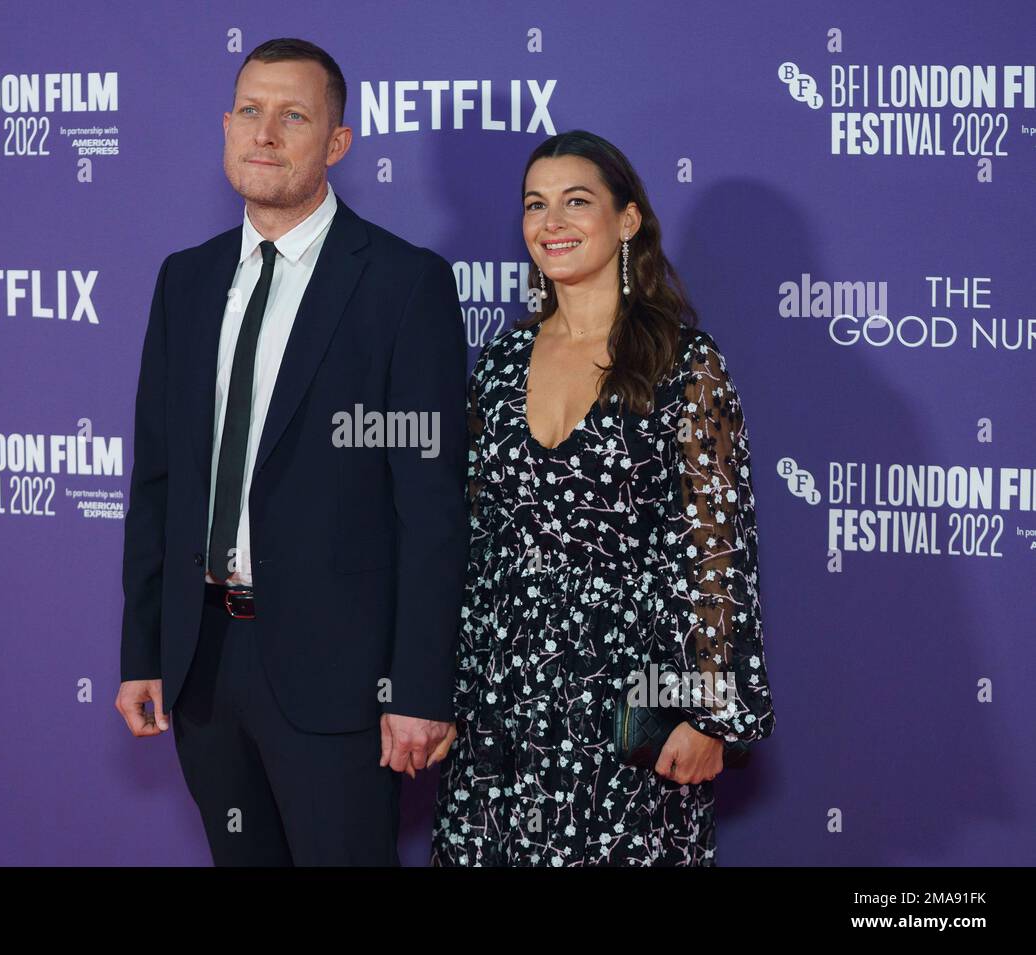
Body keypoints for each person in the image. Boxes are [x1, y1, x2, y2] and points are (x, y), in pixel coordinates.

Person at [114, 37, 468, 866]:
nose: (264, 133)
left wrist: (419, 687)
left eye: (293, 116)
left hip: (342, 679)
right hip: (203, 665)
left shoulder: (401, 284)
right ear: (226, 125)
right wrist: (144, 649)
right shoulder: (187, 279)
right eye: (249, 111)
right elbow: (158, 481)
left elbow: (432, 508)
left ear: (337, 144)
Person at [430, 130, 777, 866]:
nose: (551, 223)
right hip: (502, 700)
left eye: (576, 202)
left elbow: (714, 550)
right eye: (535, 205)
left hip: (631, 702)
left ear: (627, 221)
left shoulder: (684, 362)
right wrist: (444, 688)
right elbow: (475, 543)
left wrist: (709, 712)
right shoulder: (497, 364)